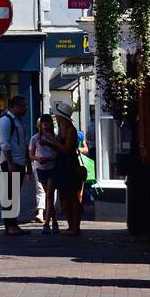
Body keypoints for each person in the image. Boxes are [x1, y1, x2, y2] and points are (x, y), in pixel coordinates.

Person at [0, 95, 29, 236]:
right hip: (11, 162)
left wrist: (28, 164)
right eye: (22, 105)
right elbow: (4, 143)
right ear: (13, 106)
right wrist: (10, 163)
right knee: (10, 194)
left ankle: (13, 224)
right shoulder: (5, 121)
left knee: (14, 194)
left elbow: (23, 143)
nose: (25, 108)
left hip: (19, 161)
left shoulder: (19, 121)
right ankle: (9, 226)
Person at [50, 100, 83, 235]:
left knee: (72, 196)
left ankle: (75, 227)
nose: (56, 117)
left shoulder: (71, 130)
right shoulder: (62, 130)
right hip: (61, 165)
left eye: (57, 115)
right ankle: (71, 226)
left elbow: (67, 149)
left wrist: (52, 142)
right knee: (64, 196)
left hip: (69, 165)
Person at [29, 114, 59, 233]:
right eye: (43, 122)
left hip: (52, 167)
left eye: (48, 122)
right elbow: (30, 154)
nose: (46, 124)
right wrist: (37, 158)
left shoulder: (55, 137)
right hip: (40, 168)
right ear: (40, 125)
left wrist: (50, 157)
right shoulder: (35, 138)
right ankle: (53, 222)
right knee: (48, 195)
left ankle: (48, 223)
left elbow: (59, 151)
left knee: (50, 194)